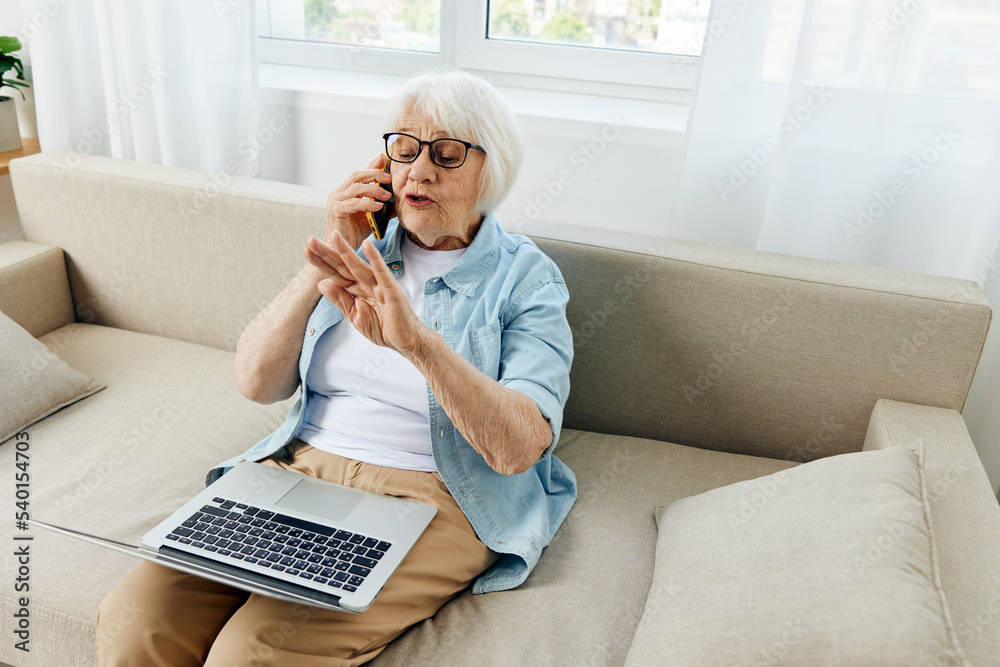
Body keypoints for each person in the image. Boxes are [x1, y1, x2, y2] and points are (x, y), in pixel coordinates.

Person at [95, 69, 577, 666]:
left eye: (448, 154)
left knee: (251, 654)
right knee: (132, 620)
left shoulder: (526, 278)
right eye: (404, 148)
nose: (419, 171)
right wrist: (329, 254)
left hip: (436, 492)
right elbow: (255, 383)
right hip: (298, 469)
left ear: (491, 169)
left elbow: (518, 447)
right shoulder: (365, 247)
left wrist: (418, 345)